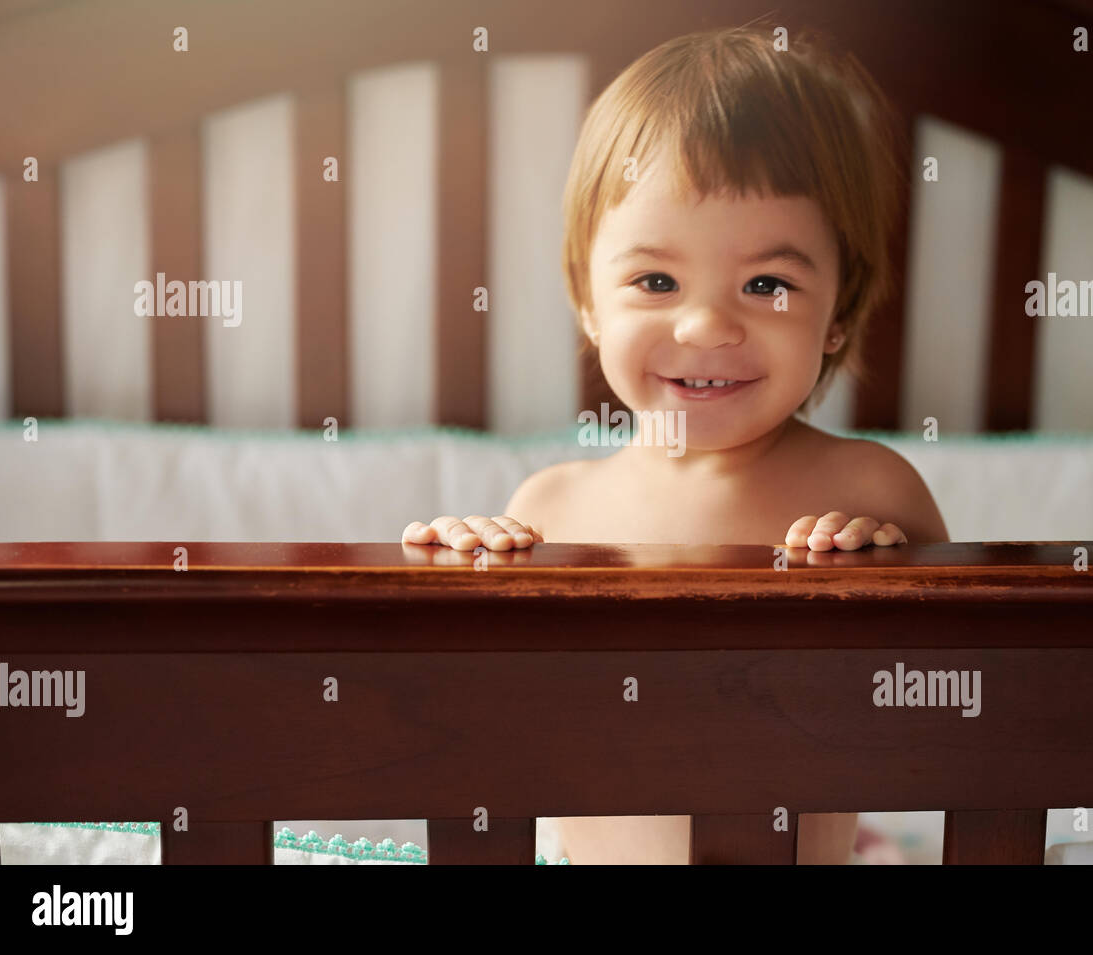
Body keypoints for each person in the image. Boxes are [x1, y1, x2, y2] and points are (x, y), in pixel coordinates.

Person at [403, 20, 948, 863]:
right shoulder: (550, 510)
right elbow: (480, 726)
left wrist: (890, 580)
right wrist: (455, 583)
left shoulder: (871, 492)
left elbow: (955, 709)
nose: (705, 325)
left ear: (837, 313)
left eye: (767, 283)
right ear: (589, 300)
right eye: (656, 280)